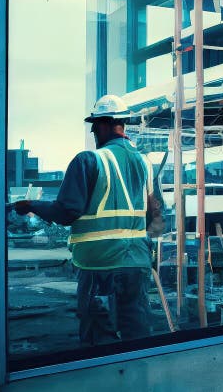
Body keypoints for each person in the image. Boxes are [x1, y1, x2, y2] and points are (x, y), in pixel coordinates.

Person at [13, 94, 164, 345]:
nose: (94, 135)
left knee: (99, 337)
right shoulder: (144, 163)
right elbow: (154, 214)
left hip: (100, 265)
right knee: (136, 333)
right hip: (136, 263)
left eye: (94, 129)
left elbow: (66, 211)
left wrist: (31, 205)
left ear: (103, 125)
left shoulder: (89, 160)